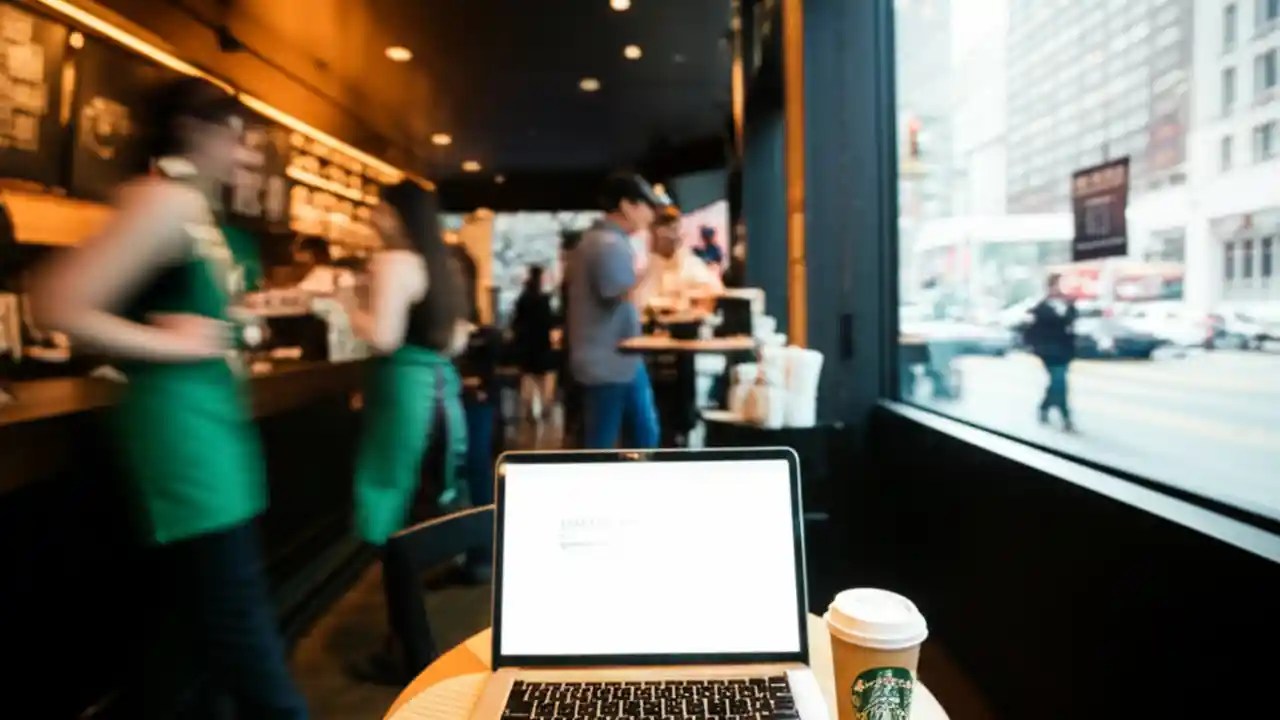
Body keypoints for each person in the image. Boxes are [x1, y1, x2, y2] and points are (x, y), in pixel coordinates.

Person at [31, 77, 308, 719]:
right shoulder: (163, 203)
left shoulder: (191, 209)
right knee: (242, 636)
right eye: (240, 141)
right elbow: (58, 301)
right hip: (184, 444)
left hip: (209, 438)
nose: (247, 159)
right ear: (196, 132)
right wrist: (171, 346)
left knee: (196, 634)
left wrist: (227, 321)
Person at [345, 180, 470, 682]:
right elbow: (457, 340)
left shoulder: (394, 262)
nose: (371, 215)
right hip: (441, 395)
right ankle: (416, 644)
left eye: (377, 205)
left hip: (403, 399)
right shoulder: (444, 265)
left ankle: (406, 653)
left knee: (394, 524)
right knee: (418, 519)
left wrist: (343, 302)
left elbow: (383, 336)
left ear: (394, 212)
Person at [567, 173, 662, 449]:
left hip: (621, 360)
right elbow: (622, 292)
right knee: (605, 443)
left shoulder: (604, 240)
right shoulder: (606, 243)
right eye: (646, 205)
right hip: (606, 362)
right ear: (627, 205)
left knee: (642, 434)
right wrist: (656, 261)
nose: (651, 214)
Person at [637, 206, 723, 309]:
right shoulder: (649, 266)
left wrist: (686, 296)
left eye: (670, 228)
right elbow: (640, 301)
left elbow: (715, 291)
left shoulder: (691, 265)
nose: (661, 235)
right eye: (655, 228)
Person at [1025, 273, 1078, 432]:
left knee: (1057, 382)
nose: (1059, 288)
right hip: (1048, 351)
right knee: (1060, 382)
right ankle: (1065, 417)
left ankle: (1044, 407)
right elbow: (1032, 331)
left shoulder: (1068, 304)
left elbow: (1071, 323)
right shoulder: (1041, 307)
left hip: (1064, 351)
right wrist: (1037, 347)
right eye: (1056, 285)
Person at [511, 265, 556, 421]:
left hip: (525, 344)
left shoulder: (523, 299)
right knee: (544, 378)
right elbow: (550, 322)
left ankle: (529, 409)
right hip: (542, 343)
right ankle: (545, 407)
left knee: (528, 376)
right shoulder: (544, 300)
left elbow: (515, 322)